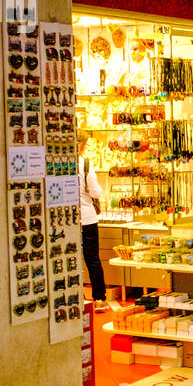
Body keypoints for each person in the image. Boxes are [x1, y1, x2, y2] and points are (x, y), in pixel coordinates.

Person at [78, 133, 112, 310]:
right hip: (88, 219)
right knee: (92, 259)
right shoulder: (85, 165)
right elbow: (96, 193)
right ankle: (99, 297)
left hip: (69, 222)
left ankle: (78, 295)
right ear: (82, 145)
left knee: (73, 260)